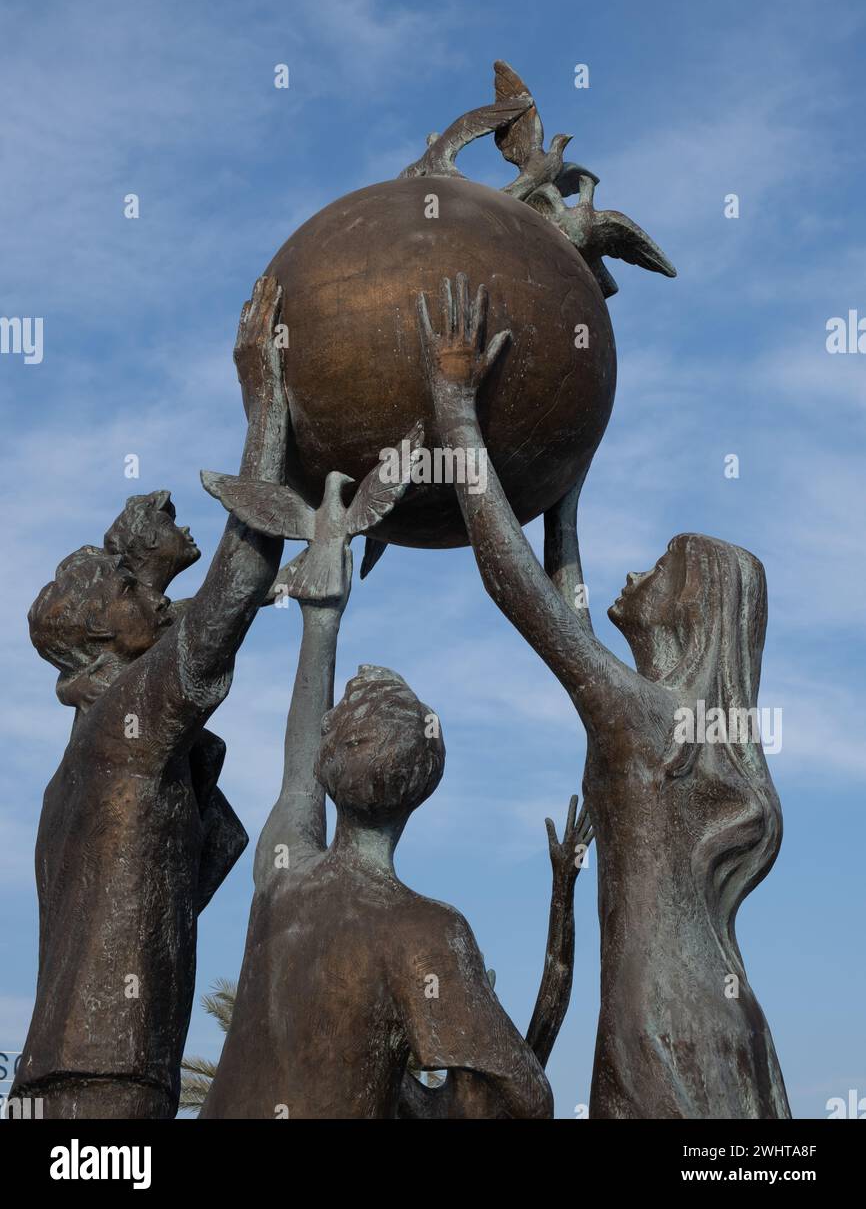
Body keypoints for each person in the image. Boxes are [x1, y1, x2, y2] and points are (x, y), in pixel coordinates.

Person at [416, 273, 791, 1120]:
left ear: (688, 610)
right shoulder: (678, 728)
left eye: (657, 570)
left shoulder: (646, 722)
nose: (634, 573)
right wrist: (565, 493)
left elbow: (518, 590)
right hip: (708, 1010)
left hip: (661, 1015)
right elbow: (565, 609)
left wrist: (456, 413)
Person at [201, 491, 589, 1119]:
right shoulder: (427, 933)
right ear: (424, 787)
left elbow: (299, 773)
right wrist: (415, 1098)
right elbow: (521, 1098)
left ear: (333, 767)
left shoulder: (282, 878)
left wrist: (321, 616)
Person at [11, 276, 287, 1119]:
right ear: (101, 637)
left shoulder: (92, 759)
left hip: (96, 1065)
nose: (152, 596)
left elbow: (180, 891)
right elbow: (233, 592)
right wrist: (266, 416)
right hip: (107, 1066)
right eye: (130, 591)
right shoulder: (124, 725)